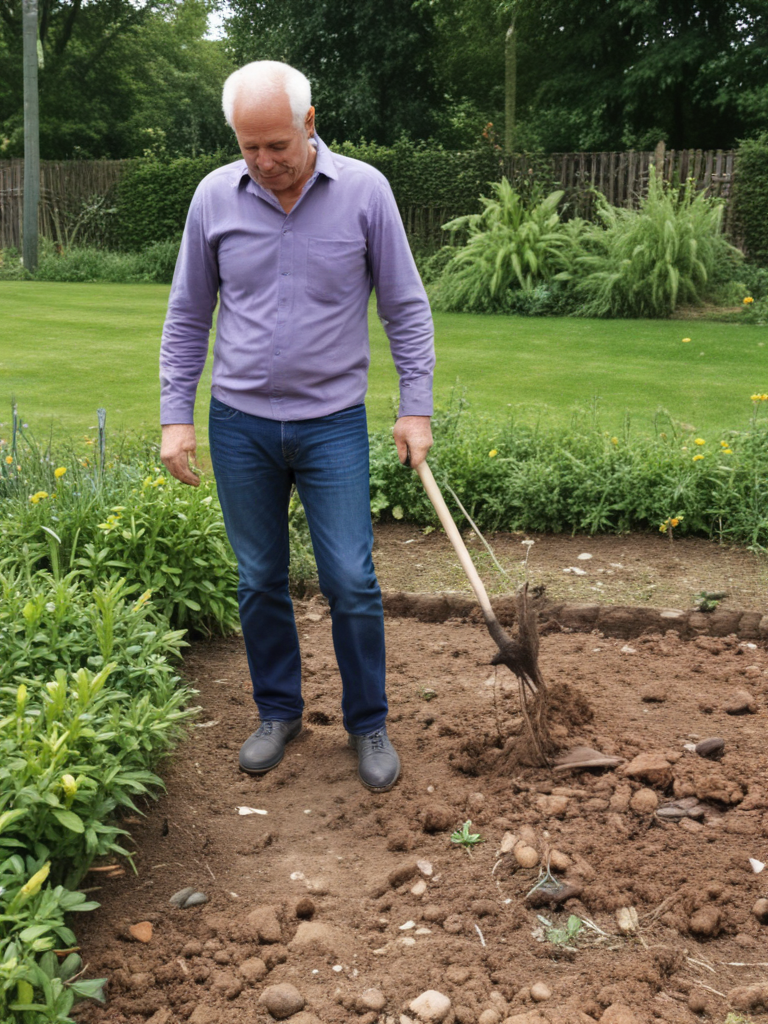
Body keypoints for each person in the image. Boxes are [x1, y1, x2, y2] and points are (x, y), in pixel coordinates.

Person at [159, 60, 435, 793]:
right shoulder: (215, 198)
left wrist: (415, 406)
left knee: (350, 578)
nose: (264, 162)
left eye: (277, 145)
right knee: (259, 579)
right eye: (249, 147)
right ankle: (277, 712)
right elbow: (188, 315)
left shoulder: (366, 192)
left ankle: (367, 722)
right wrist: (174, 417)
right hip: (240, 424)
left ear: (310, 124)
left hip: (331, 426)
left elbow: (404, 307)